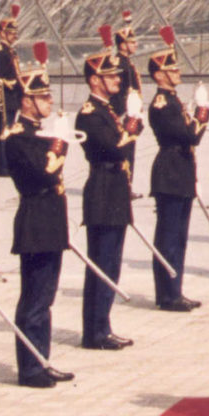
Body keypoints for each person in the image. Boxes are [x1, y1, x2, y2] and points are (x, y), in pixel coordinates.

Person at [3, 72, 75, 387]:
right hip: (36, 220)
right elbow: (45, 173)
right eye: (42, 97)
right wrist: (60, 142)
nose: (49, 101)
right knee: (34, 298)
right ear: (26, 100)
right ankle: (30, 367)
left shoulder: (34, 134)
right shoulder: (17, 137)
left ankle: (41, 359)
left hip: (49, 220)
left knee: (45, 297)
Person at [76, 51, 140, 351]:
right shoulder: (90, 113)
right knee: (102, 263)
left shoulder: (107, 110)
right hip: (102, 189)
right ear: (95, 80)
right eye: (111, 75)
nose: (118, 79)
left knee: (111, 263)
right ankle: (95, 331)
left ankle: (103, 324)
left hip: (114, 189)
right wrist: (132, 127)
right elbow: (114, 148)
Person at [145, 48, 204, 313]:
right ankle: (167, 294)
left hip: (181, 170)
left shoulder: (173, 101)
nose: (178, 71)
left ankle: (175, 289)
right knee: (168, 236)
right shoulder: (162, 104)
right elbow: (188, 136)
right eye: (172, 69)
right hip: (170, 171)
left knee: (179, 236)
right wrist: (202, 116)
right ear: (159, 75)